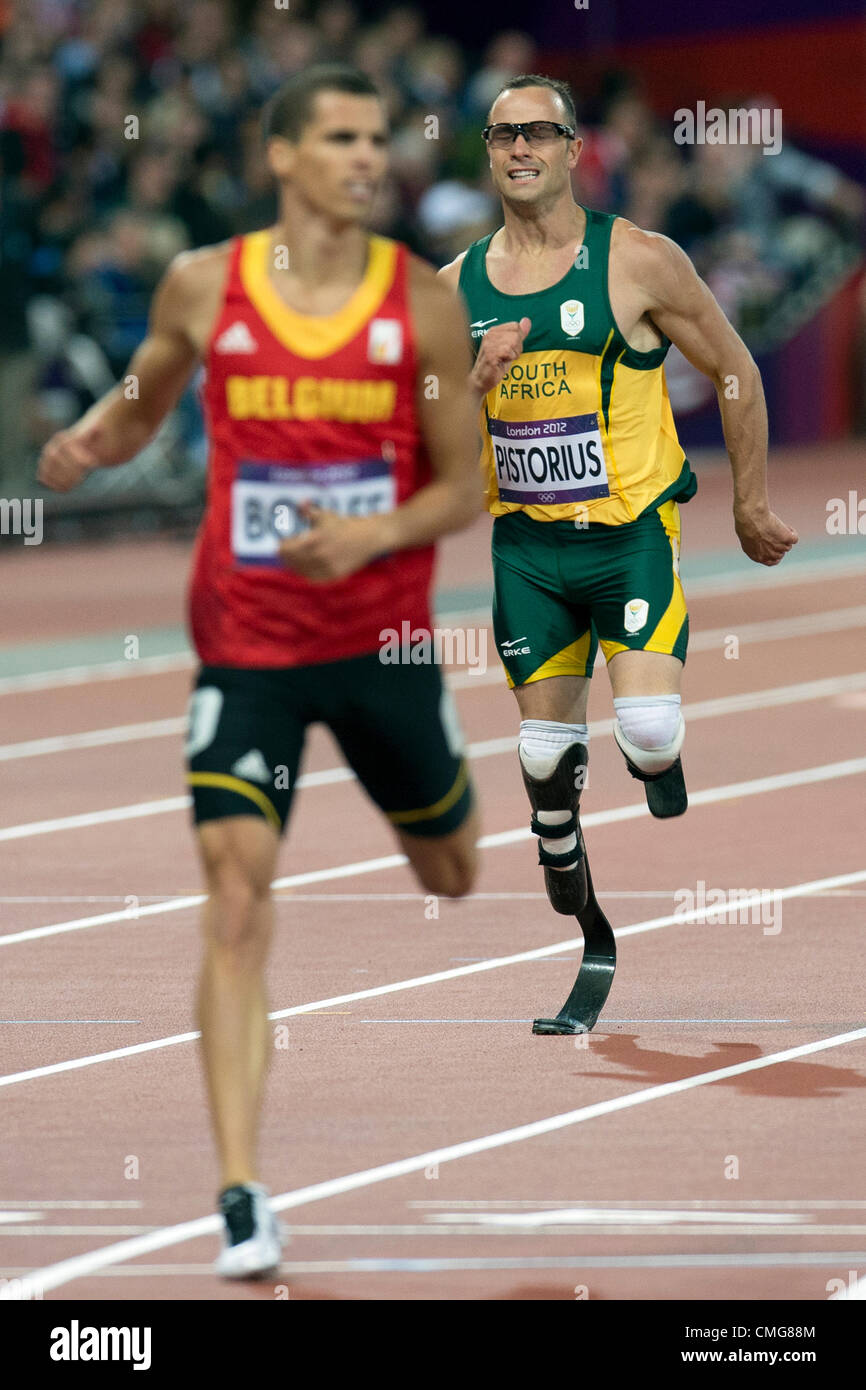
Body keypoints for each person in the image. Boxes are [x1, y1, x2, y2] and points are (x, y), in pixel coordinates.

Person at [37, 64, 482, 1279]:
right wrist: (93, 439)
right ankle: (241, 1195)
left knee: (450, 873)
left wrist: (374, 534)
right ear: (281, 156)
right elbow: (142, 405)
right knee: (235, 899)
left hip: (382, 644)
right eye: (339, 136)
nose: (364, 156)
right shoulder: (204, 285)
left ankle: (441, 806)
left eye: (375, 137)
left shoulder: (418, 305)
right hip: (248, 649)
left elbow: (464, 479)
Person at [439, 73, 797, 919]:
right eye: (500, 136)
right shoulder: (454, 285)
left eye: (537, 132)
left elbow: (735, 371)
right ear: (487, 155)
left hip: (629, 536)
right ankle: (557, 840)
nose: (518, 148)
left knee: (648, 731)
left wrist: (750, 502)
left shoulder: (639, 259)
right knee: (539, 753)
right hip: (526, 547)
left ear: (572, 150)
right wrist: (472, 383)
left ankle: (654, 762)